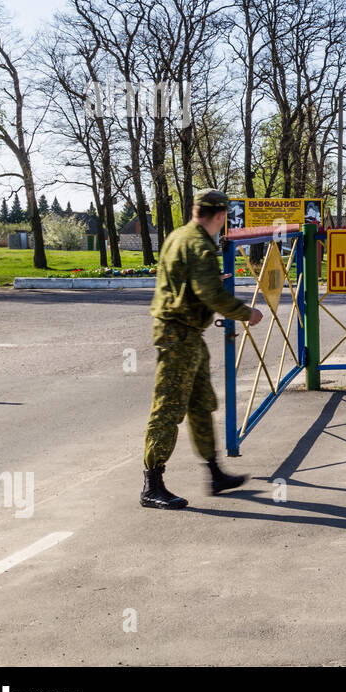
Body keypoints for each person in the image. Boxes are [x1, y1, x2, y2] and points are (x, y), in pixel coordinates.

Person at [140, 189, 265, 509]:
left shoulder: (179, 236)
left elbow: (183, 281)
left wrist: (206, 282)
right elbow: (211, 295)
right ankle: (151, 485)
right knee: (168, 409)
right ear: (220, 216)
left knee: (200, 404)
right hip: (178, 335)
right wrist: (246, 313)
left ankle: (214, 473)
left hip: (187, 334)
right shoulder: (199, 244)